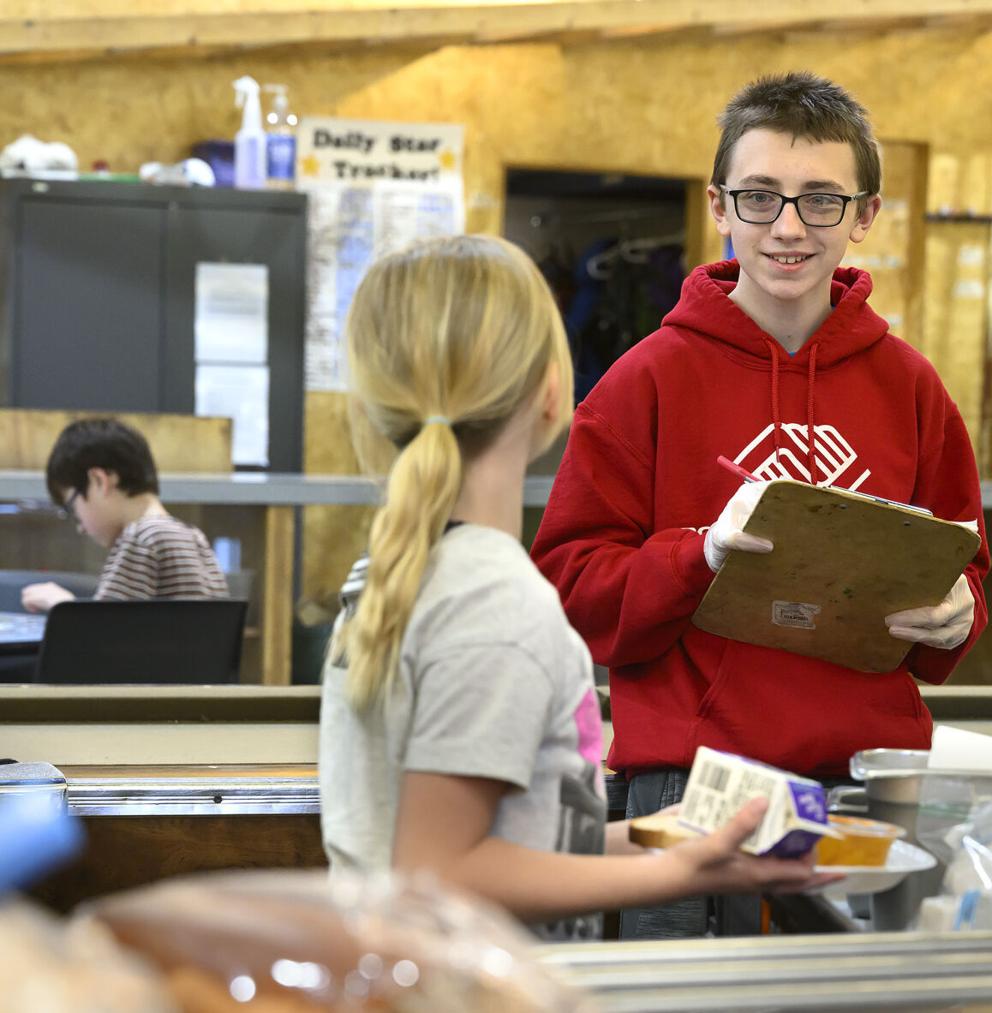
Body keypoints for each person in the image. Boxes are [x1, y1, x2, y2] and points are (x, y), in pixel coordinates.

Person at [531, 72, 990, 937]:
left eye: (822, 201)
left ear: (865, 215)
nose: (788, 227)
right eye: (761, 196)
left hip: (863, 791)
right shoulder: (643, 383)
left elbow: (964, 570)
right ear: (719, 206)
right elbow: (571, 590)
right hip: (692, 795)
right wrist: (696, 554)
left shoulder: (915, 391)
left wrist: (957, 615)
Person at [317, 234, 828, 943]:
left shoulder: (394, 573)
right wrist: (682, 876)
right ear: (552, 393)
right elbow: (436, 875)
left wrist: (674, 839)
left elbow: (512, 849)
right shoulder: (493, 605)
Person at [22, 418, 228, 612]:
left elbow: (103, 637)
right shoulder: (193, 536)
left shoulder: (141, 538)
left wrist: (63, 605)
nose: (81, 526)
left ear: (99, 481)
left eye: (73, 509)